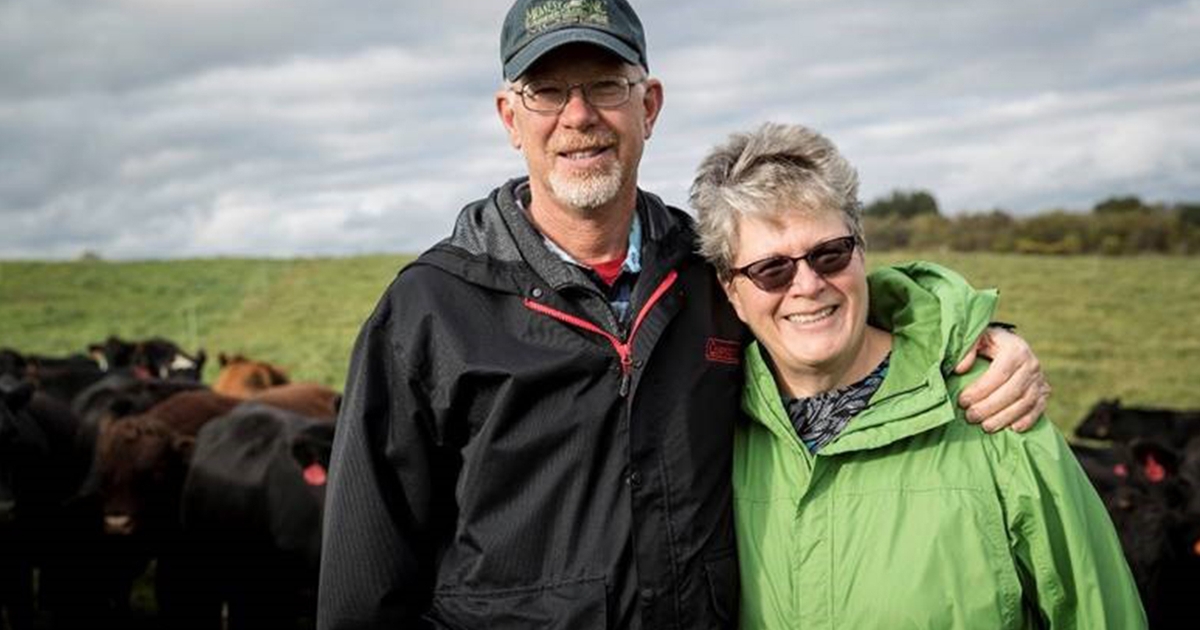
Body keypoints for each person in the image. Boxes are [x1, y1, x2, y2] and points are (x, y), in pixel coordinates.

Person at [317, 1, 1050, 628]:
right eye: (547, 91)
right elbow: (364, 580)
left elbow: (827, 305)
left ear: (650, 105)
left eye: (606, 84)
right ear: (512, 117)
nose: (579, 116)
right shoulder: (431, 310)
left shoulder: (714, 276)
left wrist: (975, 334)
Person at [689, 121, 1145, 628]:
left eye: (830, 254)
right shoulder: (708, 429)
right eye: (772, 269)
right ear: (731, 290)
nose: (808, 284)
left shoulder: (997, 415)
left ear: (861, 252)